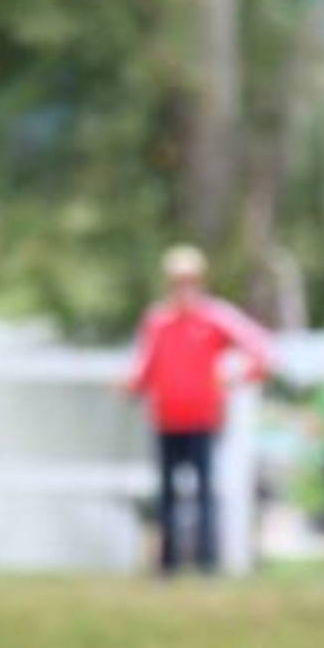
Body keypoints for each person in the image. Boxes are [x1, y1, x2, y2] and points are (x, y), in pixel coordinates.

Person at [126, 244, 273, 575]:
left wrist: (238, 376)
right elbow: (146, 367)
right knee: (166, 495)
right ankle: (168, 564)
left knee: (205, 492)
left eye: (189, 279)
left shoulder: (215, 317)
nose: (183, 286)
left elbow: (260, 350)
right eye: (178, 280)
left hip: (203, 420)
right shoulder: (158, 321)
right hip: (165, 419)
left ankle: (207, 563)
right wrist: (131, 385)